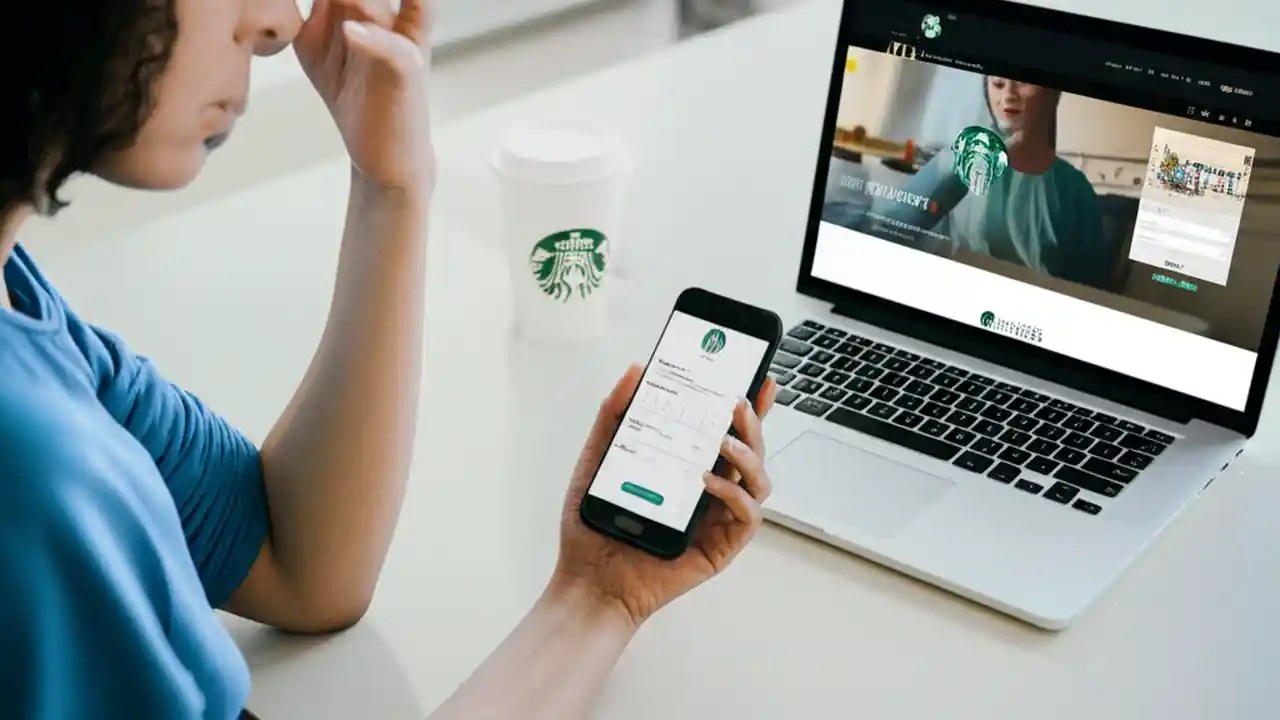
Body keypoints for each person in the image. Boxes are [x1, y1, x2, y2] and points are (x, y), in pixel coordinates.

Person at [0, 1, 778, 718]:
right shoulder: (30, 466)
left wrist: (391, 184)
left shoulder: (19, 302)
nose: (276, 22)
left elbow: (298, 562)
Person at [855, 75, 1112, 290]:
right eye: (998, 84)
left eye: (1023, 83)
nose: (1008, 95)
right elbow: (889, 231)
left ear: (1052, 93)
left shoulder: (1074, 188)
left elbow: (1090, 287)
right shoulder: (959, 155)